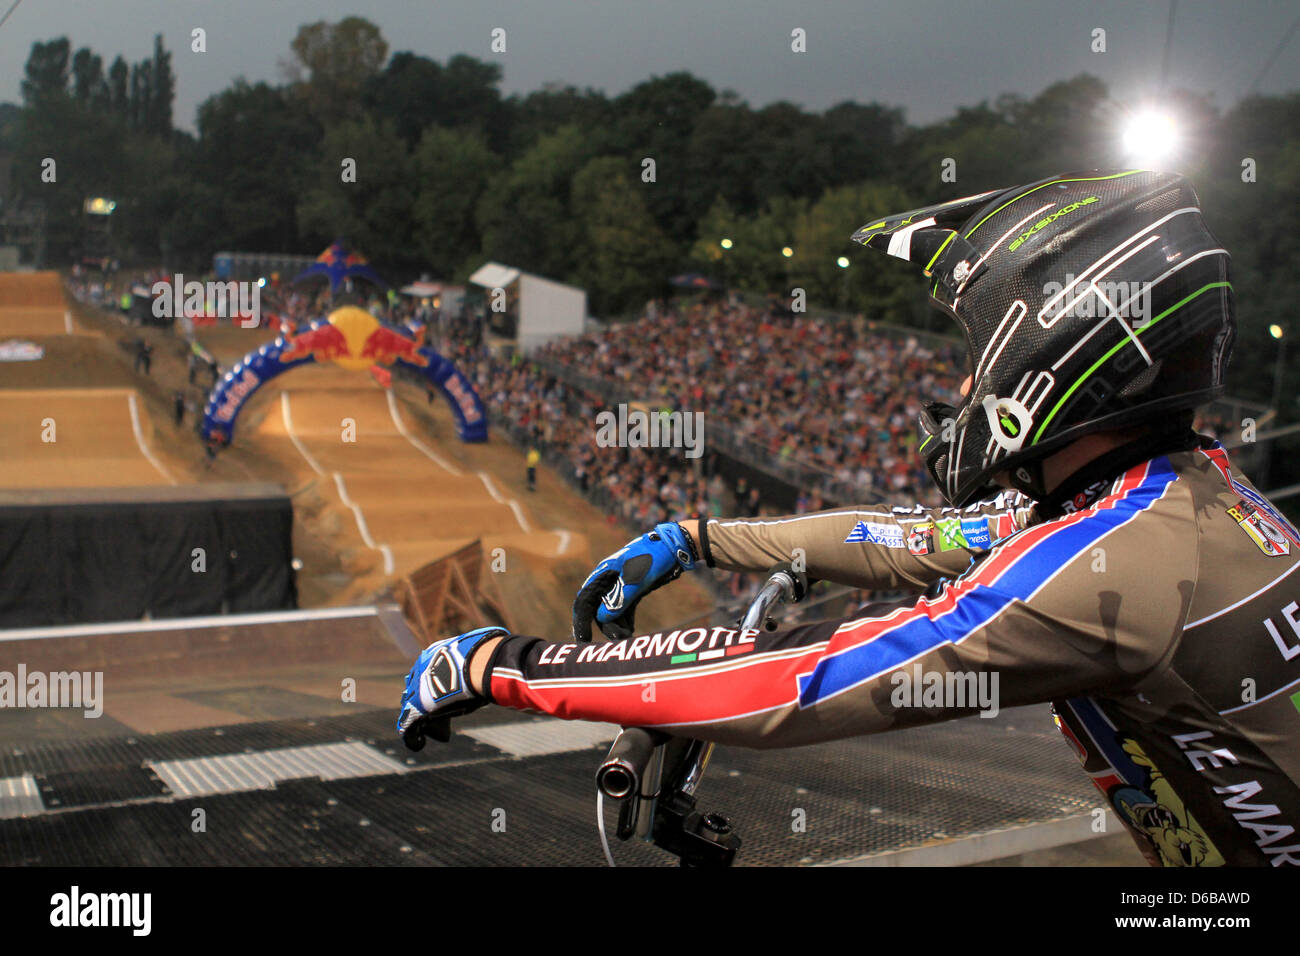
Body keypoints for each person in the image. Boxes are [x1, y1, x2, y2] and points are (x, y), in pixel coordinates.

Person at [396, 170, 1300, 867]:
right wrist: (700, 539)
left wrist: (504, 663)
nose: (962, 388)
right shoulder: (1169, 501)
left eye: (976, 356)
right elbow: (897, 542)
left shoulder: (1113, 563)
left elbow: (802, 682)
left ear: (1050, 358)